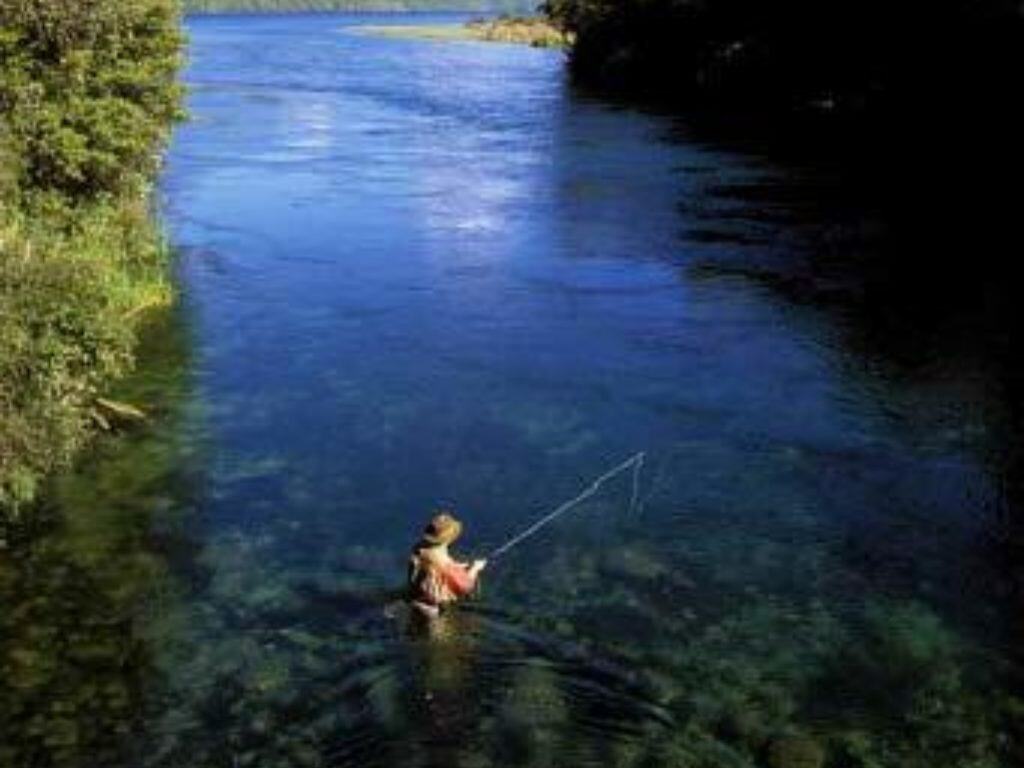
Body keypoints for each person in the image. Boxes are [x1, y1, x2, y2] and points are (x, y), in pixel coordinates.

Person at [408, 512, 487, 616]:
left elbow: (436, 567)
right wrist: (476, 568)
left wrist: (461, 566)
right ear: (448, 539)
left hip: (418, 596)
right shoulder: (444, 562)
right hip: (436, 608)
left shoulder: (419, 550)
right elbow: (466, 586)